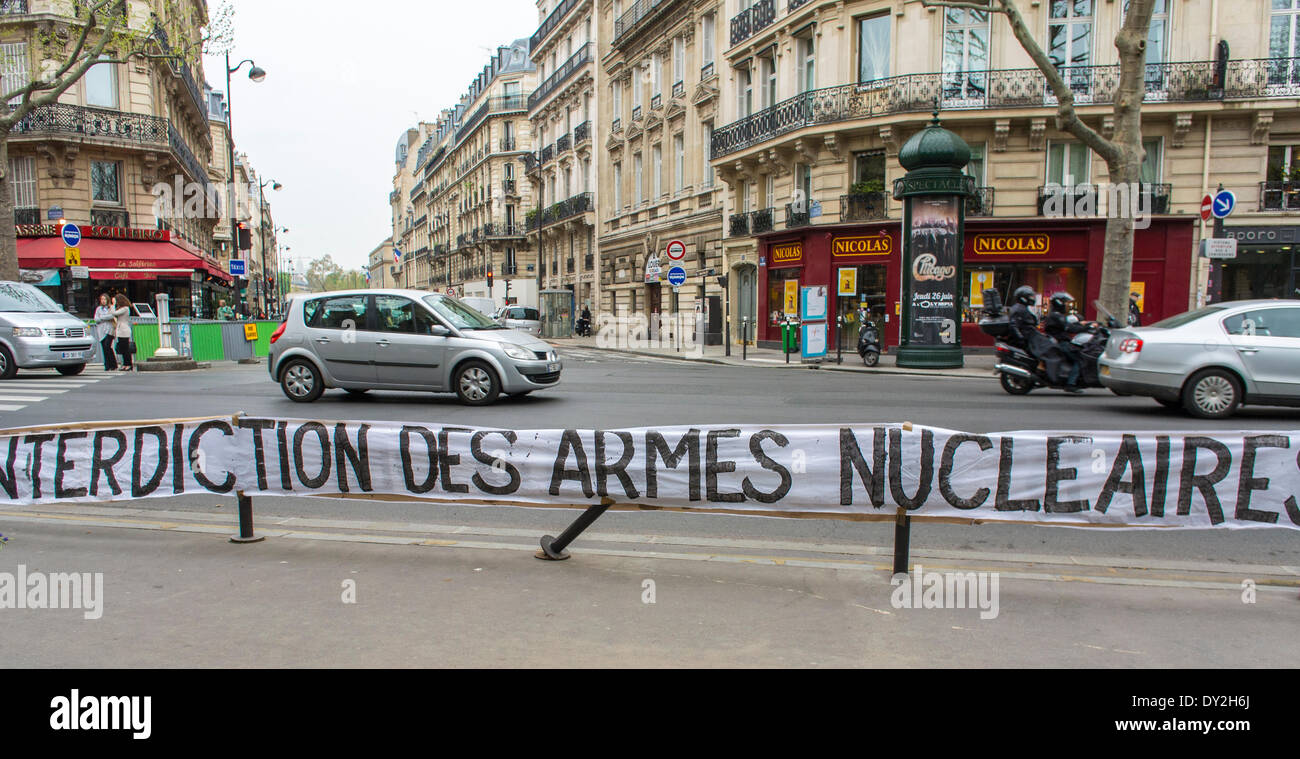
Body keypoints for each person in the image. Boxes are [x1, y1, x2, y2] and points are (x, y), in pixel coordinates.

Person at [93, 293, 118, 371]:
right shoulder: (99, 309)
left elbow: (112, 316)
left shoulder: (111, 308)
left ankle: (113, 364)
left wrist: (102, 318)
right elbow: (96, 319)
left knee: (108, 346)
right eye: (102, 299)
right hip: (101, 330)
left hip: (109, 330)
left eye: (105, 299)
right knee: (104, 348)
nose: (103, 301)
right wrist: (104, 318)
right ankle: (107, 365)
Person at [111, 293, 134, 371]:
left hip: (124, 330)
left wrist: (113, 305)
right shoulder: (122, 308)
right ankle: (125, 364)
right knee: (122, 348)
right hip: (120, 330)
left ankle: (129, 364)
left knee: (125, 348)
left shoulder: (125, 308)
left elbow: (114, 313)